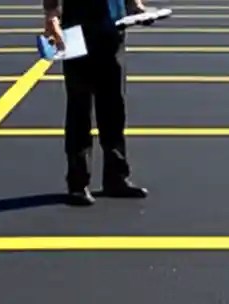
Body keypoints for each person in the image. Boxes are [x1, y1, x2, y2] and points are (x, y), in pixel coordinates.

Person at [43, 0, 151, 207]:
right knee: (79, 108)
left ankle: (116, 178)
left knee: (113, 107)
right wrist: (52, 16)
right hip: (78, 31)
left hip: (112, 31)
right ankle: (77, 183)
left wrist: (134, 5)